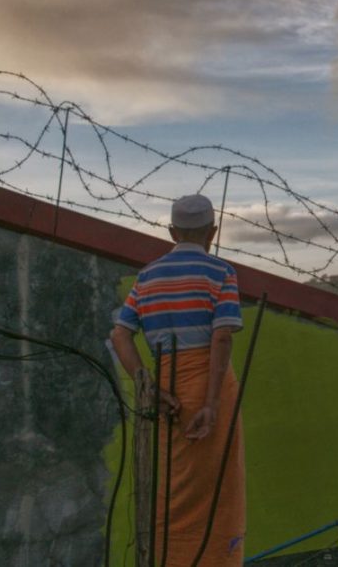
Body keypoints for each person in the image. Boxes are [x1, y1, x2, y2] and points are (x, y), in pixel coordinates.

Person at [110, 194, 246, 566]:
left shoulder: (148, 275)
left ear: (172, 231)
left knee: (173, 489)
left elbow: (120, 335)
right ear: (213, 232)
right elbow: (221, 337)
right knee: (218, 488)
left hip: (168, 390)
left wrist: (149, 387)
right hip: (208, 386)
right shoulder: (221, 273)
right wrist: (212, 404)